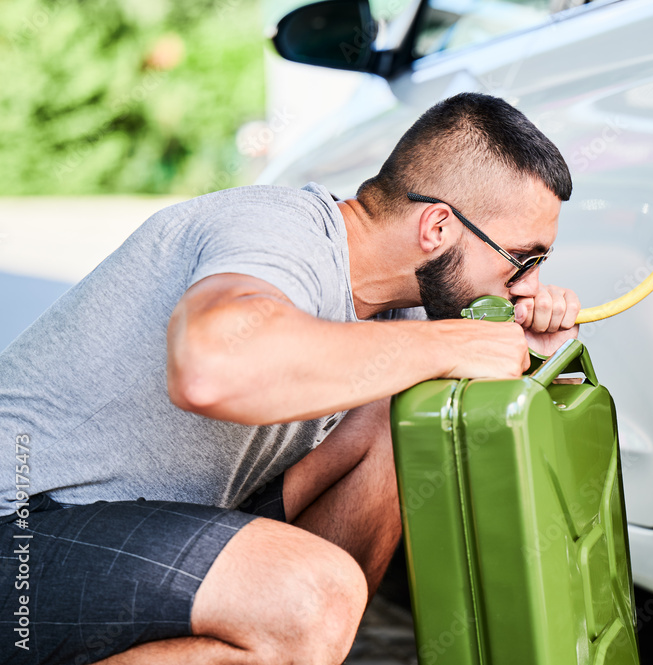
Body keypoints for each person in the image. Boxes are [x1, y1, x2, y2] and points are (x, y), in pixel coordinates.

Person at [0, 92, 580, 664]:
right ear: (436, 227)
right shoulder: (279, 231)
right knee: (312, 595)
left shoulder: (405, 311)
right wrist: (453, 343)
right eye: (523, 259)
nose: (529, 285)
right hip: (22, 532)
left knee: (403, 414)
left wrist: (536, 364)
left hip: (153, 525)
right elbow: (210, 369)